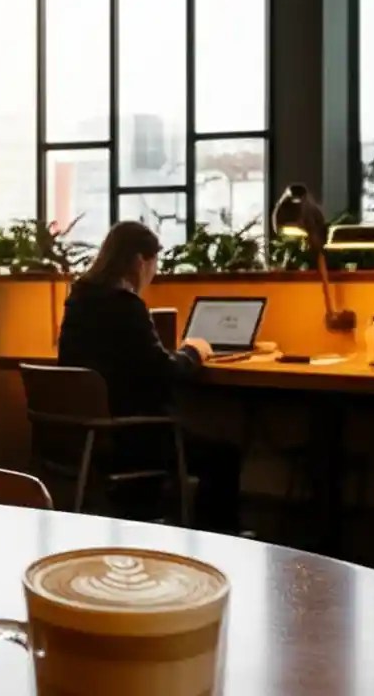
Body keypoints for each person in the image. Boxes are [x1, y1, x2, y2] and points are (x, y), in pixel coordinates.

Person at [58, 221, 242, 533]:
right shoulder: (126, 306)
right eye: (153, 264)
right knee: (224, 455)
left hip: (84, 436)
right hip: (132, 437)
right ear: (140, 261)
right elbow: (164, 371)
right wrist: (194, 352)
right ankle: (219, 546)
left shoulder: (78, 301)